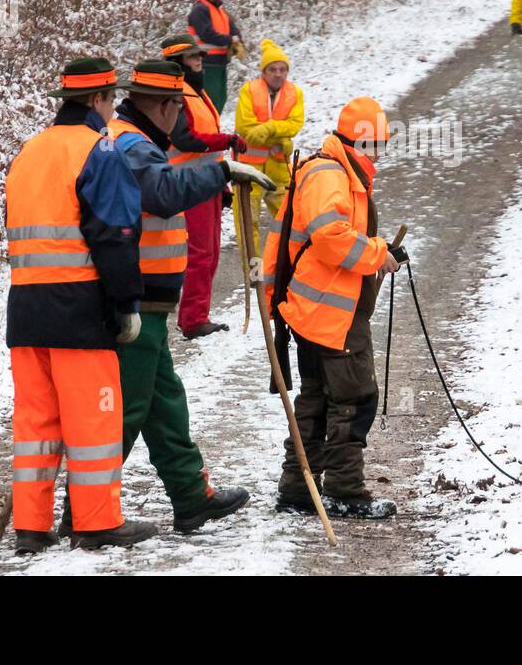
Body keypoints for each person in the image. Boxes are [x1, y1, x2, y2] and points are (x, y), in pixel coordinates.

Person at [58, 59, 275, 538]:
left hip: (150, 302)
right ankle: (86, 513)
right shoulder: (129, 143)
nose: (182, 116)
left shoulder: (135, 139)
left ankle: (191, 496)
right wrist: (221, 173)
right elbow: (158, 192)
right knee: (127, 410)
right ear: (163, 105)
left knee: (163, 403)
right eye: (178, 106)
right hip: (133, 301)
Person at [5, 56, 155, 553]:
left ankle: (30, 527)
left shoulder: (28, 151)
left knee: (36, 424)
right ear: (97, 100)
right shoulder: (100, 151)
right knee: (93, 420)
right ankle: (96, 522)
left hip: (25, 308)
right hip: (80, 307)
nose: (113, 110)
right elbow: (114, 235)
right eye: (112, 100)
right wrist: (126, 303)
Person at [263, 97, 405, 520]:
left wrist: (381, 251)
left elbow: (336, 235)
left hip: (313, 309)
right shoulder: (331, 174)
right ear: (363, 141)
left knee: (317, 400)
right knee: (354, 396)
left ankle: (298, 489)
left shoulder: (334, 169)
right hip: (329, 313)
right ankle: (344, 490)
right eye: (378, 143)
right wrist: (377, 254)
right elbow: (330, 237)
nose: (381, 152)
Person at [159, 34, 249, 340]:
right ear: (177, 62)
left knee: (208, 252)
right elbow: (185, 139)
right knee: (200, 253)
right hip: (188, 186)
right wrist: (227, 140)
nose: (199, 60)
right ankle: (194, 318)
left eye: (199, 55)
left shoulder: (196, 92)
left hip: (205, 184)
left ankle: (198, 315)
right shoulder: (177, 94)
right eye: (192, 57)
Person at [234, 38, 304, 254]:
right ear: (264, 71)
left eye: (283, 69)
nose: (278, 74)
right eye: (272, 69)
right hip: (248, 170)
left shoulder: (295, 93)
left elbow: (295, 124)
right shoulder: (249, 90)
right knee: (247, 224)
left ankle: (288, 266)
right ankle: (254, 275)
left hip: (279, 168)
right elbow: (245, 128)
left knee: (290, 223)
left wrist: (268, 129)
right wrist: (280, 137)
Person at [187, 0, 246, 113]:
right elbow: (206, 34)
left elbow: (234, 31)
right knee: (209, 102)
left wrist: (238, 43)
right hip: (204, 63)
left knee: (219, 100)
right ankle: (207, 130)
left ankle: (214, 129)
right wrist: (231, 40)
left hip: (220, 64)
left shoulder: (221, 11)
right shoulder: (200, 10)